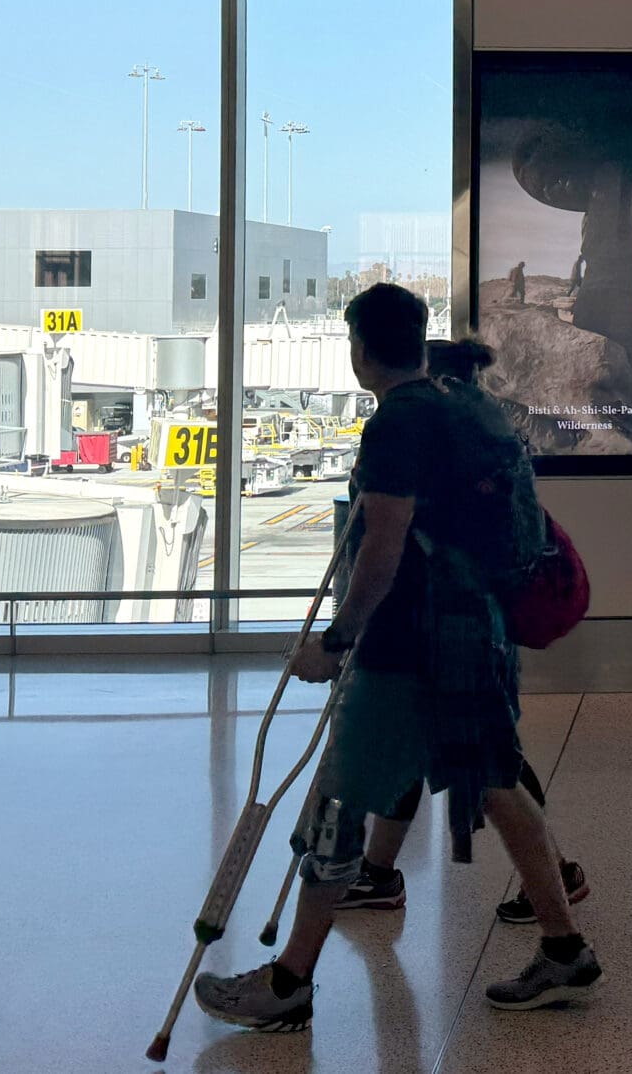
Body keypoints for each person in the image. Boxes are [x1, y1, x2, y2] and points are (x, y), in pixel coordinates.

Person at [195, 286, 601, 1037]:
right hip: (474, 632)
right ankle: (564, 945)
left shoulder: (397, 426)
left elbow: (381, 547)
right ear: (417, 340)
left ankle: (290, 982)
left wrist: (337, 640)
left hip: (406, 646)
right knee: (496, 783)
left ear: (358, 351)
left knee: (339, 798)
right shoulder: (462, 405)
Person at [335, 336, 590, 925]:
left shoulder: (441, 442)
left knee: (492, 766)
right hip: (469, 627)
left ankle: (558, 894)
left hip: (449, 630)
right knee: (449, 748)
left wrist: (348, 629)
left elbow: (392, 543)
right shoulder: (482, 432)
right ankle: (378, 874)